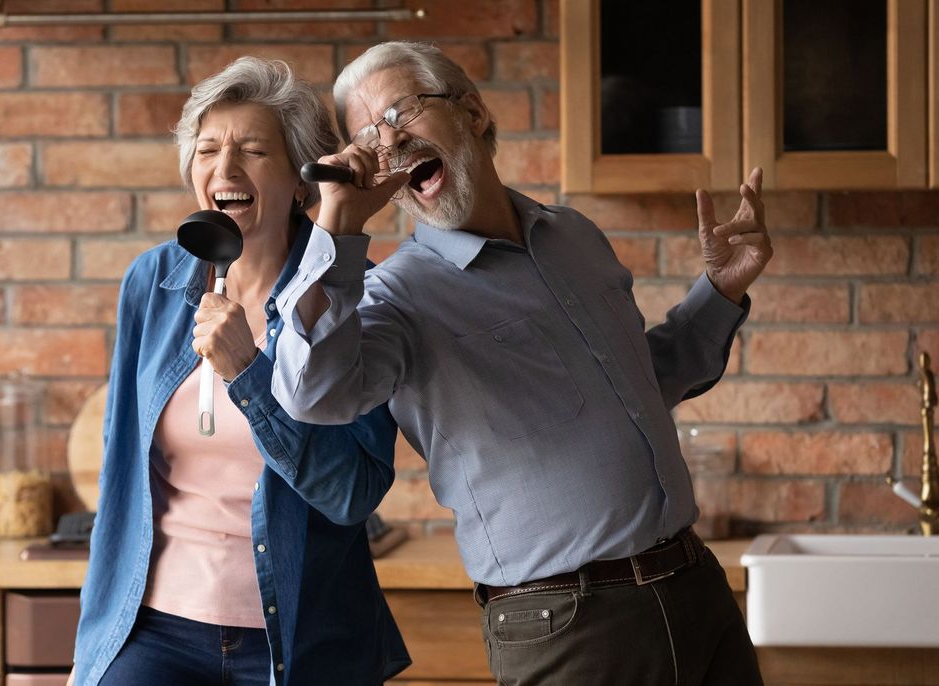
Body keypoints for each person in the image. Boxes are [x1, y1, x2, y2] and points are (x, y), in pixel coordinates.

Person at [270, 41, 772, 685]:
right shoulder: (393, 296)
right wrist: (336, 231)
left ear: (473, 112)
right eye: (365, 134)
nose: (385, 144)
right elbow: (312, 394)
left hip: (695, 587)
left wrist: (721, 291)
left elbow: (646, 382)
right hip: (567, 624)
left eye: (399, 113)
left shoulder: (574, 236)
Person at [71, 57, 410, 686]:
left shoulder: (352, 295)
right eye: (207, 150)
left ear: (301, 180)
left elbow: (351, 494)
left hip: (302, 640)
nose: (224, 170)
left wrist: (247, 373)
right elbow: (119, 466)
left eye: (252, 150)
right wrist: (94, 650)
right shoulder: (154, 281)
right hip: (154, 630)